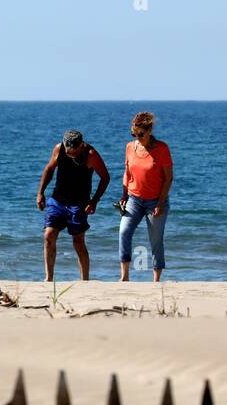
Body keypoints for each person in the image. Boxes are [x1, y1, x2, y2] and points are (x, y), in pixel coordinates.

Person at [36, 130, 110, 281]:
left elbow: (105, 177)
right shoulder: (59, 149)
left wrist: (94, 201)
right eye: (69, 153)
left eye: (74, 154)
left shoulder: (91, 154)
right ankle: (49, 278)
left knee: (78, 241)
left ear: (81, 146)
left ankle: (84, 280)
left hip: (79, 203)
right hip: (58, 200)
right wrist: (40, 192)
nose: (71, 156)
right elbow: (49, 169)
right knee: (49, 235)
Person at [118, 112, 173, 282]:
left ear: (149, 130)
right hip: (134, 199)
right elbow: (127, 173)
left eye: (140, 134)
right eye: (134, 134)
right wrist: (124, 195)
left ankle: (156, 280)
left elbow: (168, 178)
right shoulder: (130, 147)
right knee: (124, 232)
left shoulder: (162, 149)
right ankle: (124, 277)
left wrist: (161, 203)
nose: (137, 137)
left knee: (156, 240)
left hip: (155, 201)